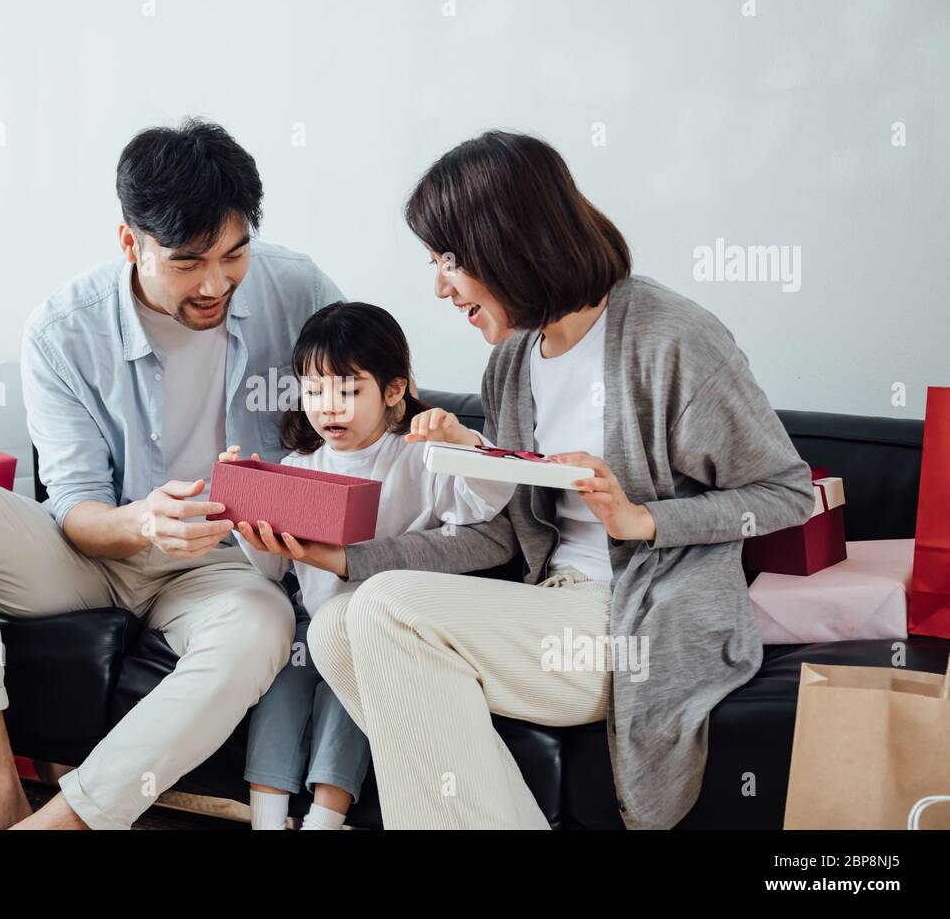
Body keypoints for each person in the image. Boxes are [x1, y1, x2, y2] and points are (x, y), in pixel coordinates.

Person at [305, 131, 815, 829]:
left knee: (385, 612)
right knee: (337, 624)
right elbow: (493, 535)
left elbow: (787, 493)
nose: (439, 287)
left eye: (446, 263)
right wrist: (345, 558)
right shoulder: (513, 363)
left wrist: (645, 520)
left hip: (639, 621)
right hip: (551, 605)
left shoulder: (671, 340)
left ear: (506, 243)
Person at [0, 118, 344, 829]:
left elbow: (365, 416)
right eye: (189, 262)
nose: (215, 283)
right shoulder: (62, 330)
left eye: (234, 254)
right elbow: (74, 507)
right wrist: (144, 521)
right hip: (95, 551)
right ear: (131, 241)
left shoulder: (299, 288)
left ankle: (69, 819)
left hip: (224, 569)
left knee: (263, 626)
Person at [222, 302, 514, 829]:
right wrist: (245, 512)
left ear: (394, 391)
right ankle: (266, 819)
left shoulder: (418, 455)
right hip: (310, 618)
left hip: (380, 630)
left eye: (348, 391)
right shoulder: (299, 466)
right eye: (314, 391)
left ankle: (324, 819)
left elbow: (484, 502)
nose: (329, 407)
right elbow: (269, 570)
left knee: (349, 690)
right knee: (280, 685)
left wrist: (464, 444)